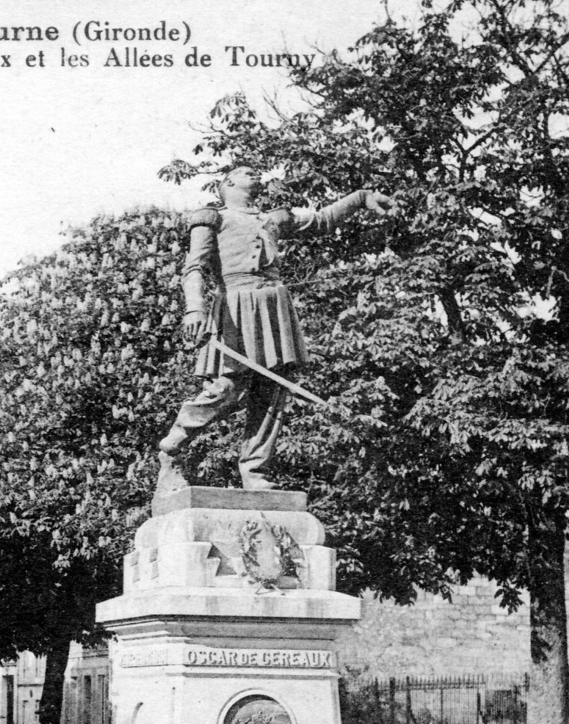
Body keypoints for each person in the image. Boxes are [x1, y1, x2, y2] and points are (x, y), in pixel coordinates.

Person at [159, 166, 396, 490]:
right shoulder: (212, 218)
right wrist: (194, 309)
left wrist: (361, 198)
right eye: (244, 171)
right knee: (227, 388)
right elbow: (194, 268)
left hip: (274, 307)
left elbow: (322, 220)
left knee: (273, 391)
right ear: (227, 182)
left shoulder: (274, 219)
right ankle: (172, 446)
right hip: (235, 305)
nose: (254, 173)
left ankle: (255, 472)